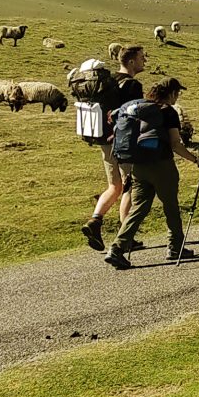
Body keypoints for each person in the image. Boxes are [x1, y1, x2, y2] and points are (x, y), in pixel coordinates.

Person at [104, 77, 199, 269]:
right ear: (170, 93)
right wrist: (196, 160)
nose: (178, 97)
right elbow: (176, 144)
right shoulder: (167, 112)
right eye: (177, 93)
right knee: (170, 205)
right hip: (161, 165)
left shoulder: (136, 108)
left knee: (139, 208)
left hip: (138, 167)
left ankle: (117, 248)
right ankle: (175, 247)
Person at [81, 44, 148, 251]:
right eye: (141, 58)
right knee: (130, 186)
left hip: (104, 141)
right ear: (130, 62)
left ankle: (95, 220)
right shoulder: (132, 85)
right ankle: (125, 238)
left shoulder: (109, 82)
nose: (144, 61)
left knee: (114, 186)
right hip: (123, 143)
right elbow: (134, 117)